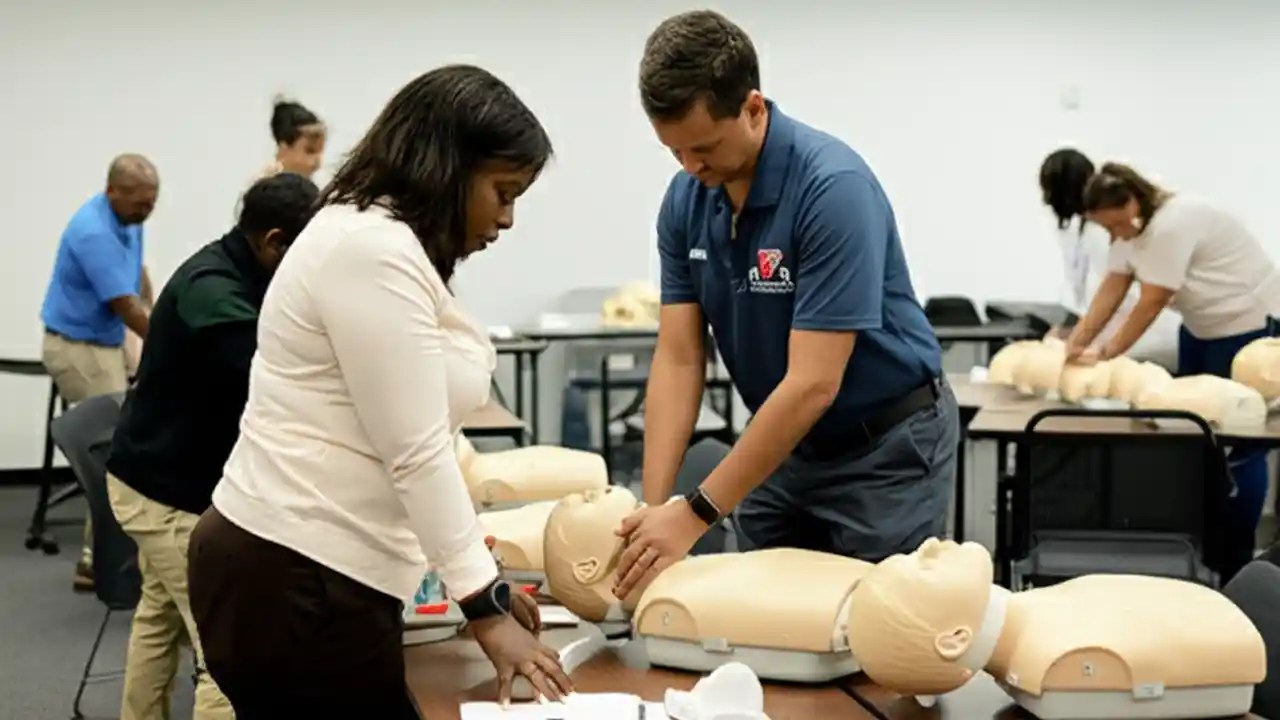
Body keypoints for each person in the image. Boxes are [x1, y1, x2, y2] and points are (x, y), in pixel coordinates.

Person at [186, 65, 572, 717]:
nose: (506, 219)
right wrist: (483, 607)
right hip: (293, 574)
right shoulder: (370, 251)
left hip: (314, 571)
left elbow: (405, 435)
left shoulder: (382, 243)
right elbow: (414, 450)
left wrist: (481, 579)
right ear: (448, 170)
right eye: (502, 192)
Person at [613, 10, 961, 599]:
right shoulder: (688, 199)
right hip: (786, 444)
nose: (690, 168)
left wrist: (696, 514)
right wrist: (657, 512)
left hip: (883, 449)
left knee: (878, 636)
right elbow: (677, 358)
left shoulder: (833, 189)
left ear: (753, 108)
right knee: (763, 623)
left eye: (702, 147)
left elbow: (813, 384)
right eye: (673, 152)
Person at [103, 172, 318, 720]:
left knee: (159, 617)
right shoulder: (213, 292)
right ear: (273, 242)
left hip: (153, 477)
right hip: (165, 493)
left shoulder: (237, 270)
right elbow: (274, 384)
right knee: (228, 653)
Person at [1068, 161, 1280, 581]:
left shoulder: (1173, 223)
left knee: (1240, 437)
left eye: (1114, 226)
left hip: (1244, 325)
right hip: (1201, 327)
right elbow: (1113, 284)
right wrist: (1076, 342)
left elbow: (1150, 301)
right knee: (1192, 432)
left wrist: (1108, 351)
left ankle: (1235, 558)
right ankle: (1203, 541)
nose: (1113, 237)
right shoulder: (1131, 229)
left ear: (1131, 205)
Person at [40, 153, 158, 592]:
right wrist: (170, 341)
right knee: (114, 451)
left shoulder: (128, 218)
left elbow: (138, 281)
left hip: (104, 343)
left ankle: (115, 551)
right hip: (77, 348)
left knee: (126, 443)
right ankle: (96, 561)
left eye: (152, 204)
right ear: (113, 192)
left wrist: (160, 311)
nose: (148, 212)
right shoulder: (93, 231)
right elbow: (124, 306)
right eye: (141, 204)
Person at [1039, 148, 1178, 369]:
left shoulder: (1104, 230)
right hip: (1134, 333)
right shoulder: (1087, 229)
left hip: (1146, 337)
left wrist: (1086, 339)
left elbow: (1120, 294)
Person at [258, 96, 326, 180]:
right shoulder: (266, 187)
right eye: (310, 151)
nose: (318, 164)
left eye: (320, 152)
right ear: (285, 146)